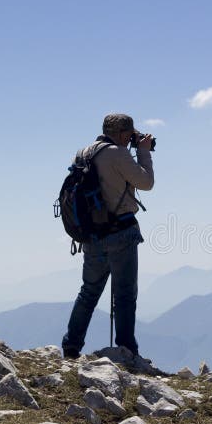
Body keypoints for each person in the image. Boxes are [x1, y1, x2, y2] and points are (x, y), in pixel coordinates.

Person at [61, 113, 155, 359]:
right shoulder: (118, 153)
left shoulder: (83, 153)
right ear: (124, 133)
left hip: (92, 235)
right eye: (130, 134)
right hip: (121, 231)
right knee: (124, 294)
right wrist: (144, 152)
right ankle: (126, 349)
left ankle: (71, 346)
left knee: (89, 291)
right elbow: (145, 182)